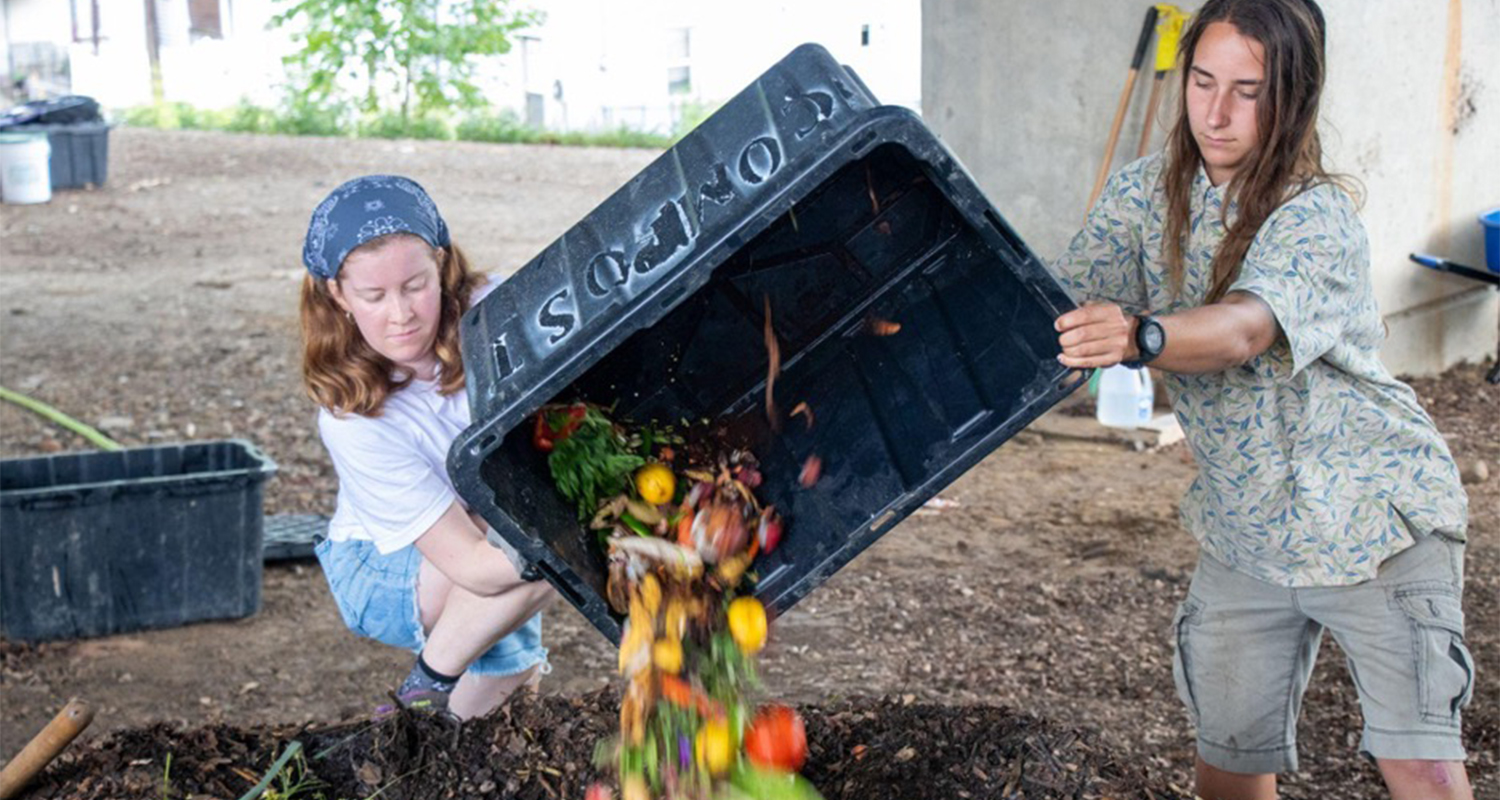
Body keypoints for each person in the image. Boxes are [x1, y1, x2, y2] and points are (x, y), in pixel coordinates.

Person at [1051, 2, 1474, 798]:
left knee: (1421, 767)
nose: (1215, 112)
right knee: (1230, 763)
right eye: (1202, 81)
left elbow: (1245, 329)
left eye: (1248, 90)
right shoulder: (1142, 196)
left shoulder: (1315, 216)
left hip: (1370, 519)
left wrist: (1141, 337)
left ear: (1295, 97)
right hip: (1247, 532)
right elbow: (1064, 310)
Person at [299, 174, 555, 720]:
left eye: (415, 285)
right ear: (337, 294)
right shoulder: (351, 417)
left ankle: (422, 726)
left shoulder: (496, 312)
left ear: (440, 263)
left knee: (503, 712)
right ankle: (424, 688)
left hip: (483, 522)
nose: (401, 313)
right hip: (382, 564)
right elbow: (478, 570)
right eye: (374, 295)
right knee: (546, 553)